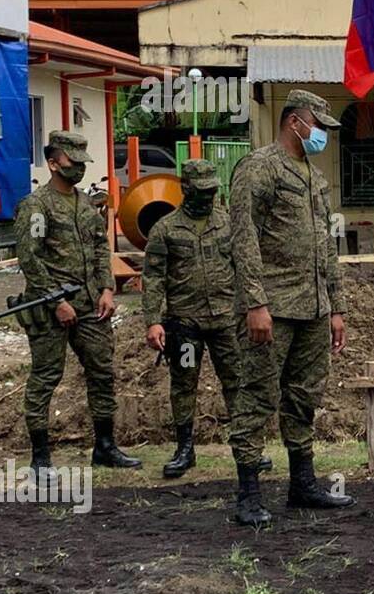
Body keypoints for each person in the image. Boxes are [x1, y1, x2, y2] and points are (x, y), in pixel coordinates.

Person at [227, 90, 353, 526]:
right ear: (295, 122)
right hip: (273, 308)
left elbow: (326, 249)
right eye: (318, 126)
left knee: (303, 397)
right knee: (258, 396)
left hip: (314, 309)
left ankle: (303, 484)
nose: (322, 135)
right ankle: (248, 494)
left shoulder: (313, 177)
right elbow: (242, 240)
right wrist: (255, 303)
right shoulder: (259, 168)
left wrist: (336, 308)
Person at [14, 130, 141, 474]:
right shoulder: (36, 207)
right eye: (73, 162)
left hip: (90, 306)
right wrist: (56, 301)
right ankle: (41, 458)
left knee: (102, 373)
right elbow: (30, 257)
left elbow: (101, 248)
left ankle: (105, 447)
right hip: (50, 308)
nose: (80, 169)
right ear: (54, 163)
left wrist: (107, 290)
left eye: (83, 163)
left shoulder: (85, 203)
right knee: (45, 377)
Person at [143, 159, 270, 479]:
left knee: (237, 382)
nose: (208, 196)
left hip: (227, 320)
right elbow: (154, 277)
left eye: (213, 190)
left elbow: (247, 268)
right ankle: (185, 449)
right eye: (202, 190)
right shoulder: (166, 229)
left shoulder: (229, 224)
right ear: (185, 189)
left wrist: (256, 306)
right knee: (184, 384)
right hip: (187, 325)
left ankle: (248, 448)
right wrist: (153, 320)